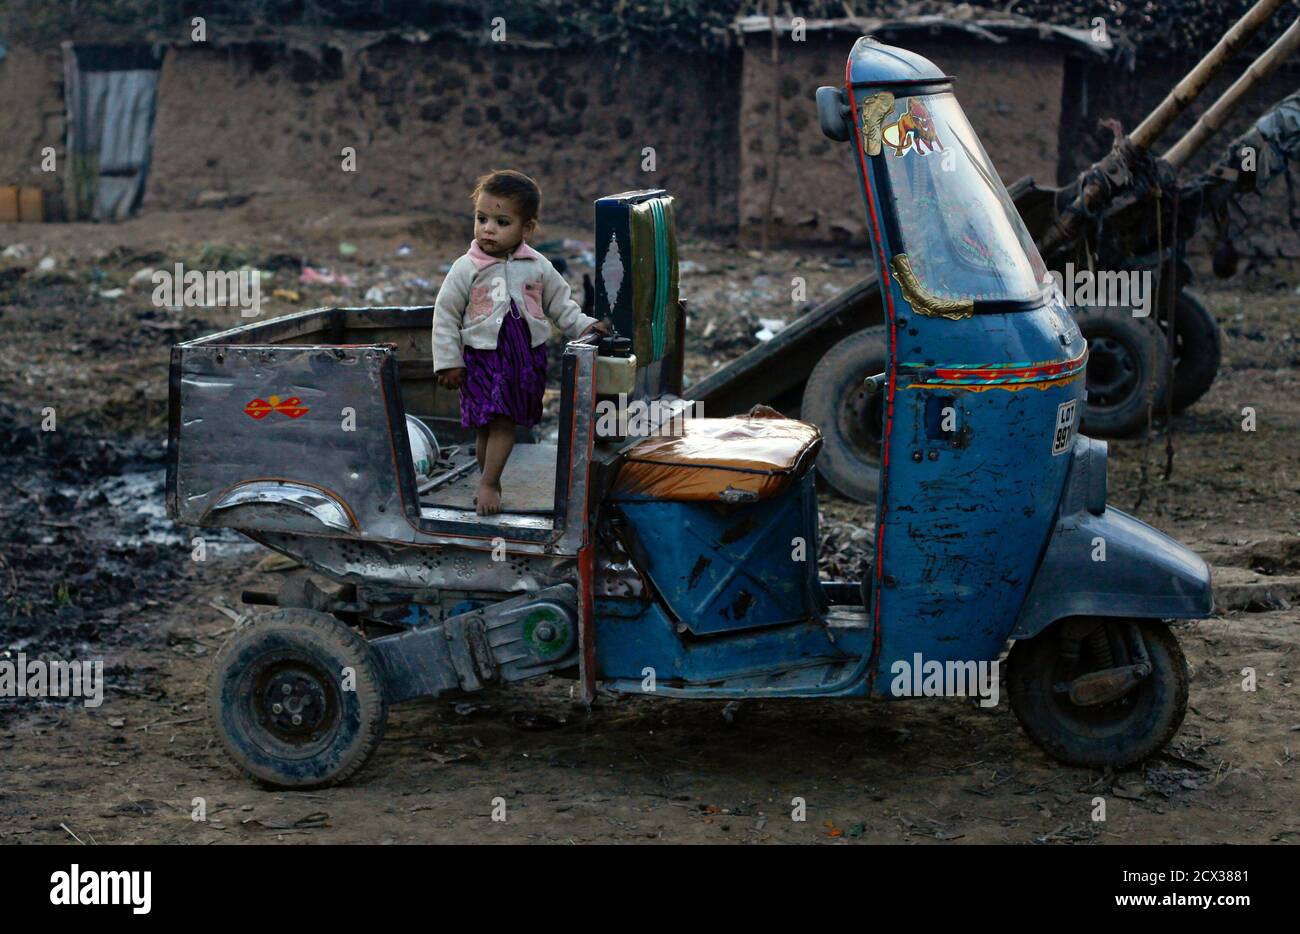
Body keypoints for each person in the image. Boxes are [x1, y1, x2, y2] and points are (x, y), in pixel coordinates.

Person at [432, 169, 608, 515]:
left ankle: (489, 482)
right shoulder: (465, 268)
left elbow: (561, 305)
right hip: (481, 358)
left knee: (502, 422)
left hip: (522, 359)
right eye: (482, 219)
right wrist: (449, 361)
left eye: (501, 221)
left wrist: (587, 327)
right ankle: (488, 480)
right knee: (484, 424)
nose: (487, 229)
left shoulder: (537, 266)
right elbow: (445, 315)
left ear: (526, 228)